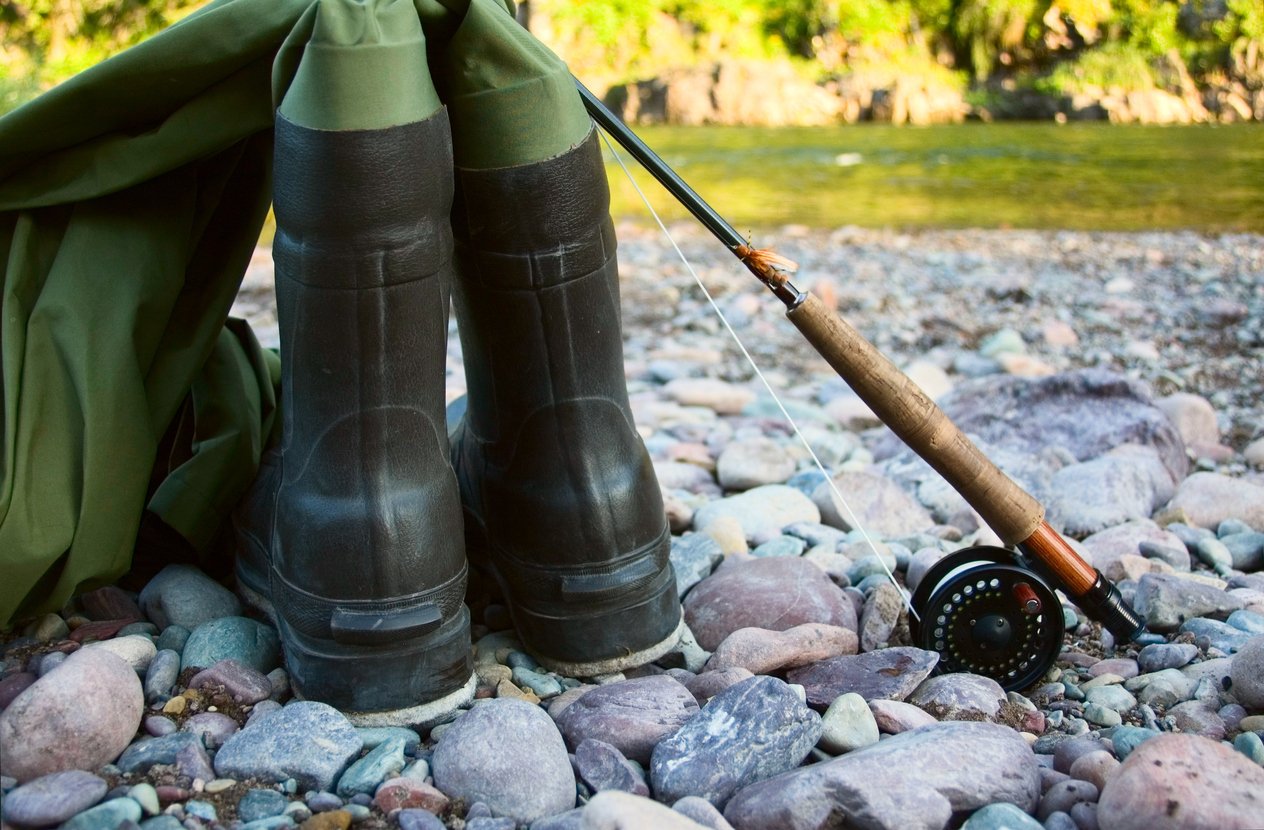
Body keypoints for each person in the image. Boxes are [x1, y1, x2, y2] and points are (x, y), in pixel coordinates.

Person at [0, 0, 681, 724]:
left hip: (340, 559)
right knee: (461, 42)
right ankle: (594, 524)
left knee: (373, 32)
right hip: (614, 518)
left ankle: (358, 542)